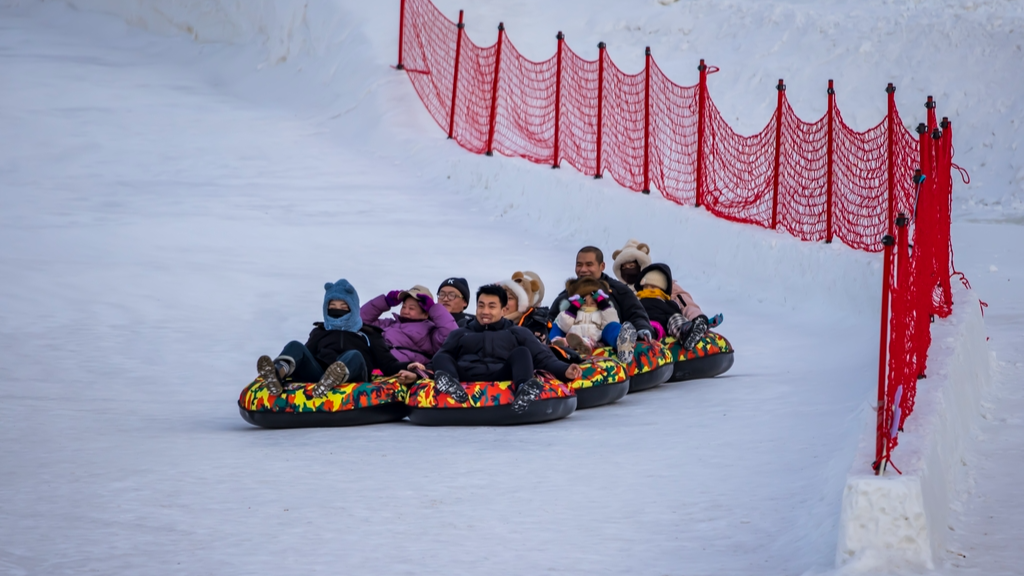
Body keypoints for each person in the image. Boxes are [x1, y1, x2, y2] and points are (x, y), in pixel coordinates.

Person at [431, 284, 583, 414]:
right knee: (441, 356)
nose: (485, 311)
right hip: (465, 376)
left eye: (492, 306)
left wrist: (565, 370)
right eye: (481, 306)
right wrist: (415, 371)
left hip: (502, 375)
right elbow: (439, 361)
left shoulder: (517, 332)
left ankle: (524, 389)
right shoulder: (460, 333)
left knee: (522, 352)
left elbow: (543, 357)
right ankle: (451, 386)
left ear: (503, 310)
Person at [256, 279, 420, 398]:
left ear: (353, 308)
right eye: (332, 307)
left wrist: (409, 366)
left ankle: (335, 377)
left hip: (356, 376)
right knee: (295, 346)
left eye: (343, 307)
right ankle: (276, 374)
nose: (337, 311)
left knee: (354, 355)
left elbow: (388, 364)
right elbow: (305, 355)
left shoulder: (369, 333)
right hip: (320, 375)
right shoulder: (320, 331)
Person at [547, 246, 654, 350]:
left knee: (612, 327)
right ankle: (555, 346)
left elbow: (636, 313)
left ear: (602, 266)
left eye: (589, 265)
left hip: (605, 345)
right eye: (579, 265)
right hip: (571, 344)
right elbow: (551, 319)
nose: (583, 270)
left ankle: (623, 344)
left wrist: (641, 329)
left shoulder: (619, 291)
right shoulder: (567, 295)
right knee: (556, 326)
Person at [610, 239, 716, 326]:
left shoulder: (661, 283)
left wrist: (697, 317)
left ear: (641, 264)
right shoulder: (620, 291)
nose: (628, 271)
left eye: (631, 266)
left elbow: (685, 302)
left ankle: (688, 330)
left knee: (675, 320)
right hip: (639, 325)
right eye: (624, 267)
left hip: (666, 323)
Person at [360, 285, 458, 364]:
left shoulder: (431, 332)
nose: (405, 311)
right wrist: (385, 302)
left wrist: (434, 308)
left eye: (411, 308)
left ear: (425, 313)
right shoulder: (390, 323)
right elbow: (359, 322)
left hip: (400, 369)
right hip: (372, 359)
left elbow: (452, 337)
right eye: (404, 306)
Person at [633, 263, 710, 351]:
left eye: (653, 287)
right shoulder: (636, 300)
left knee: (675, 318)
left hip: (662, 326)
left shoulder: (667, 302)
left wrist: (695, 318)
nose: (649, 289)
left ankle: (687, 333)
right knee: (634, 324)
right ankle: (630, 341)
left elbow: (677, 310)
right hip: (642, 324)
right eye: (646, 286)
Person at [550, 277, 623, 358]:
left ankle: (621, 342)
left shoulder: (601, 313)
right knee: (556, 327)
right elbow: (564, 325)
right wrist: (573, 308)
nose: (588, 305)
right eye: (584, 303)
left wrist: (603, 304)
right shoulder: (575, 313)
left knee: (611, 327)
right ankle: (557, 344)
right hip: (572, 339)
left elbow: (611, 322)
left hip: (595, 340)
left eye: (593, 303)